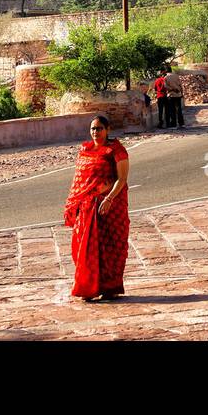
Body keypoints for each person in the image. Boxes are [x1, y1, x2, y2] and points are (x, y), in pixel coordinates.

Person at [63, 115, 131, 301]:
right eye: (93, 129)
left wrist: (108, 199)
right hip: (87, 208)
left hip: (109, 208)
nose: (96, 132)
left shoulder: (116, 150)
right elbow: (79, 181)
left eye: (99, 128)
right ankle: (88, 287)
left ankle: (109, 287)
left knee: (110, 248)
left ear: (108, 129)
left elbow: (122, 179)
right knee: (83, 248)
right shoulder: (85, 151)